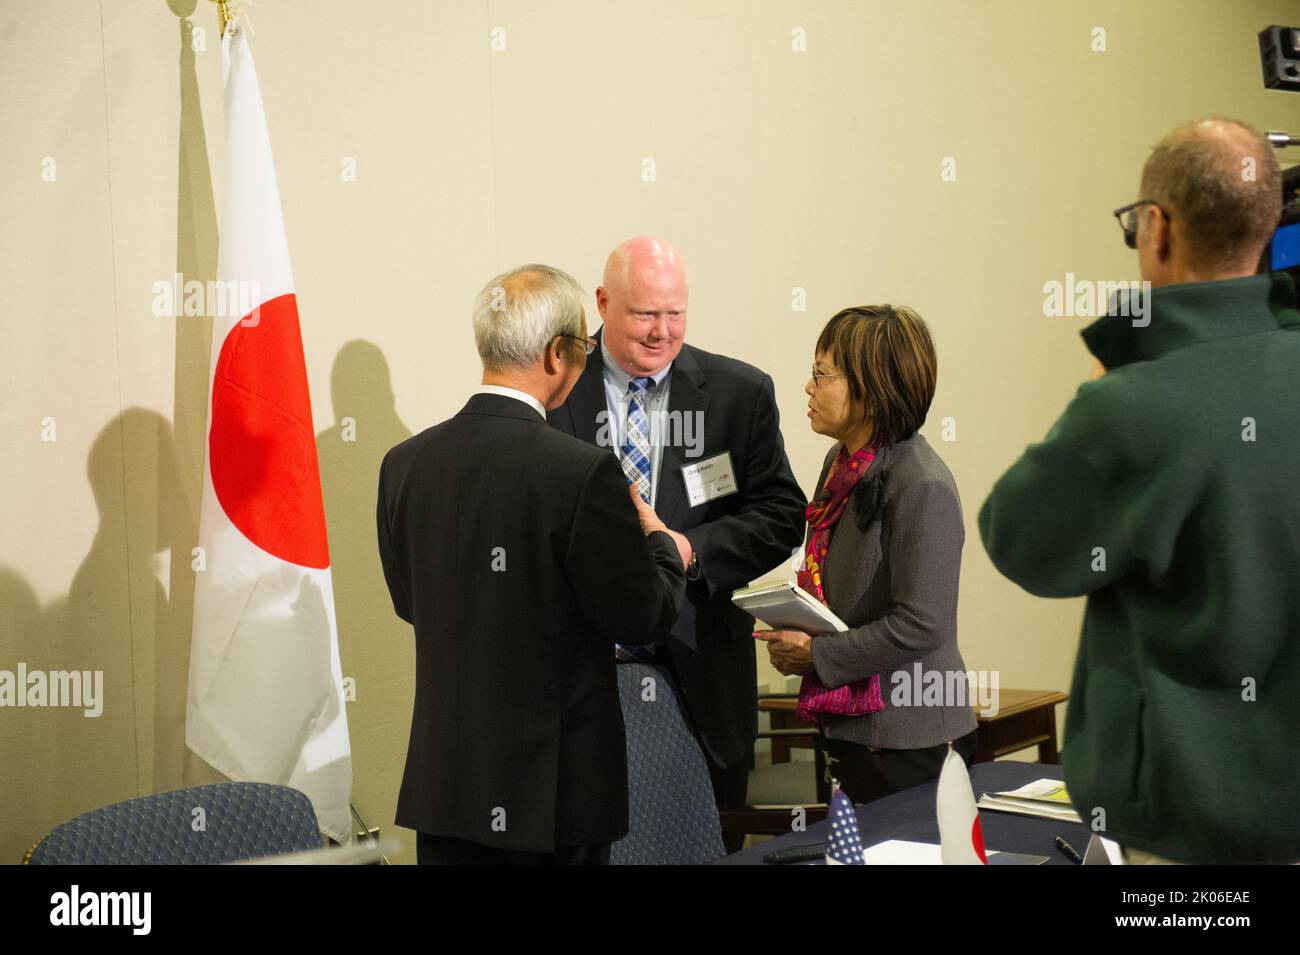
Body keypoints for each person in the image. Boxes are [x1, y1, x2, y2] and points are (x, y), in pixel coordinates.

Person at [979, 117, 1300, 864]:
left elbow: (1017, 537)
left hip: (1189, 829)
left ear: (1156, 229)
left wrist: (1114, 372)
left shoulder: (1134, 404)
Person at [376, 264, 686, 865]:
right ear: (556, 353)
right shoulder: (580, 471)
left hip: (446, 792)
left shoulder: (404, 464)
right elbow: (642, 613)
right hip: (552, 798)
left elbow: (409, 603)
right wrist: (664, 547)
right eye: (585, 346)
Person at [548, 237, 806, 841]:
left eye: (676, 313)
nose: (662, 332)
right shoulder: (555, 388)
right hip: (582, 684)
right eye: (644, 314)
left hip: (703, 679)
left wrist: (692, 551)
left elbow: (781, 513)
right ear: (603, 303)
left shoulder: (739, 394)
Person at [758, 305, 977, 805]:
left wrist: (816, 654)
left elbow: (923, 624)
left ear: (871, 388)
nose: (808, 388)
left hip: (909, 739)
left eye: (820, 374)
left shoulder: (922, 483)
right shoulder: (844, 464)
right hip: (852, 729)